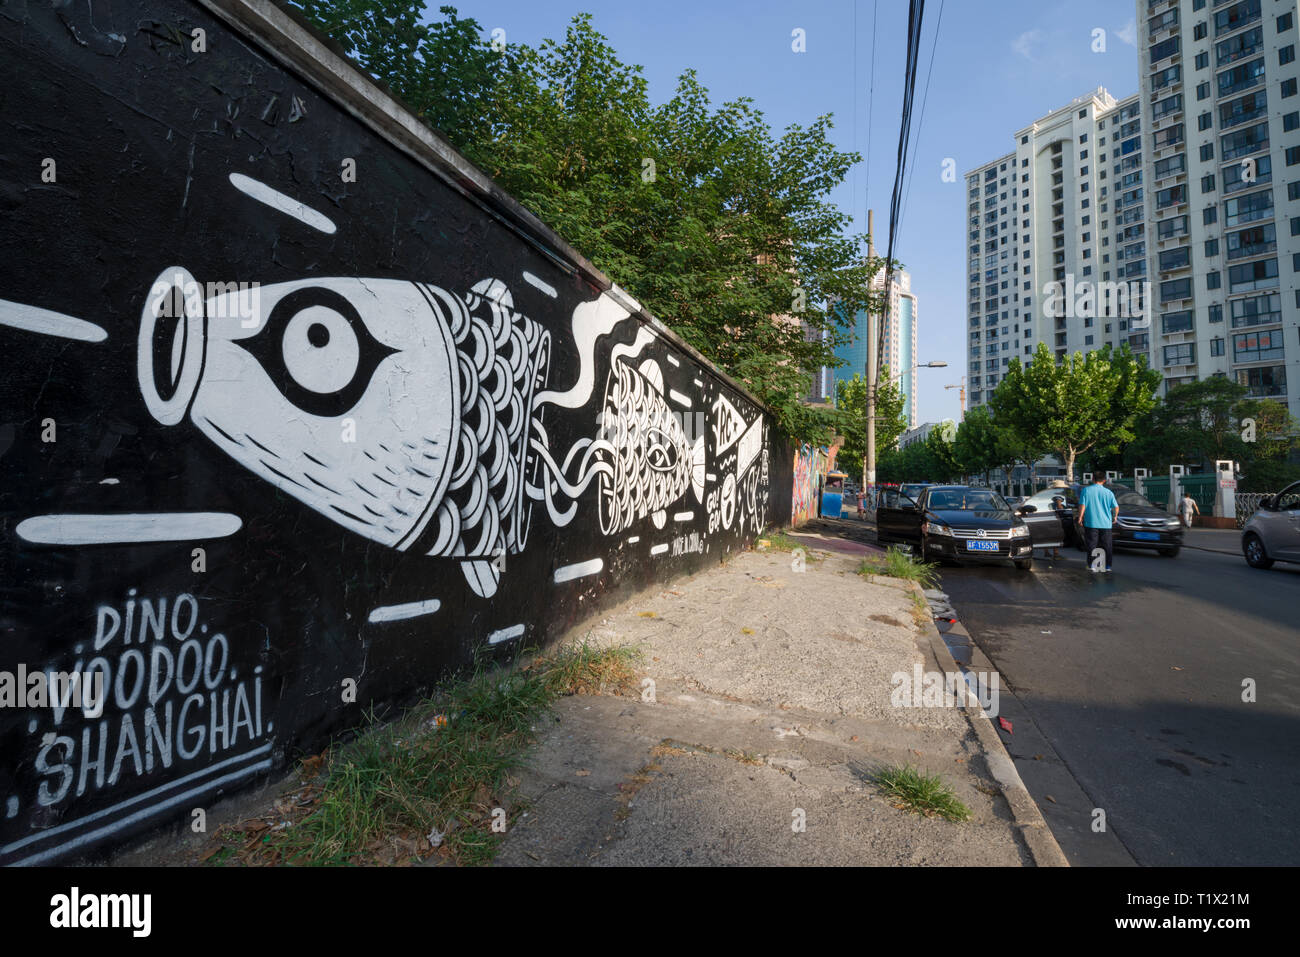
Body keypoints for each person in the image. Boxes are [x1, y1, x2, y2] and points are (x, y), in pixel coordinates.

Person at [1076, 475, 1119, 572]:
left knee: (1092, 544)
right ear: (1104, 480)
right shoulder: (1109, 492)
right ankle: (1107, 566)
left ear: (1092, 480)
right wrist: (1115, 516)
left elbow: (1082, 505)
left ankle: (1092, 565)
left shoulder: (1086, 490)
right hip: (1106, 524)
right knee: (1107, 545)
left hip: (1091, 522)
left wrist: (1080, 517)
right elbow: (1116, 507)